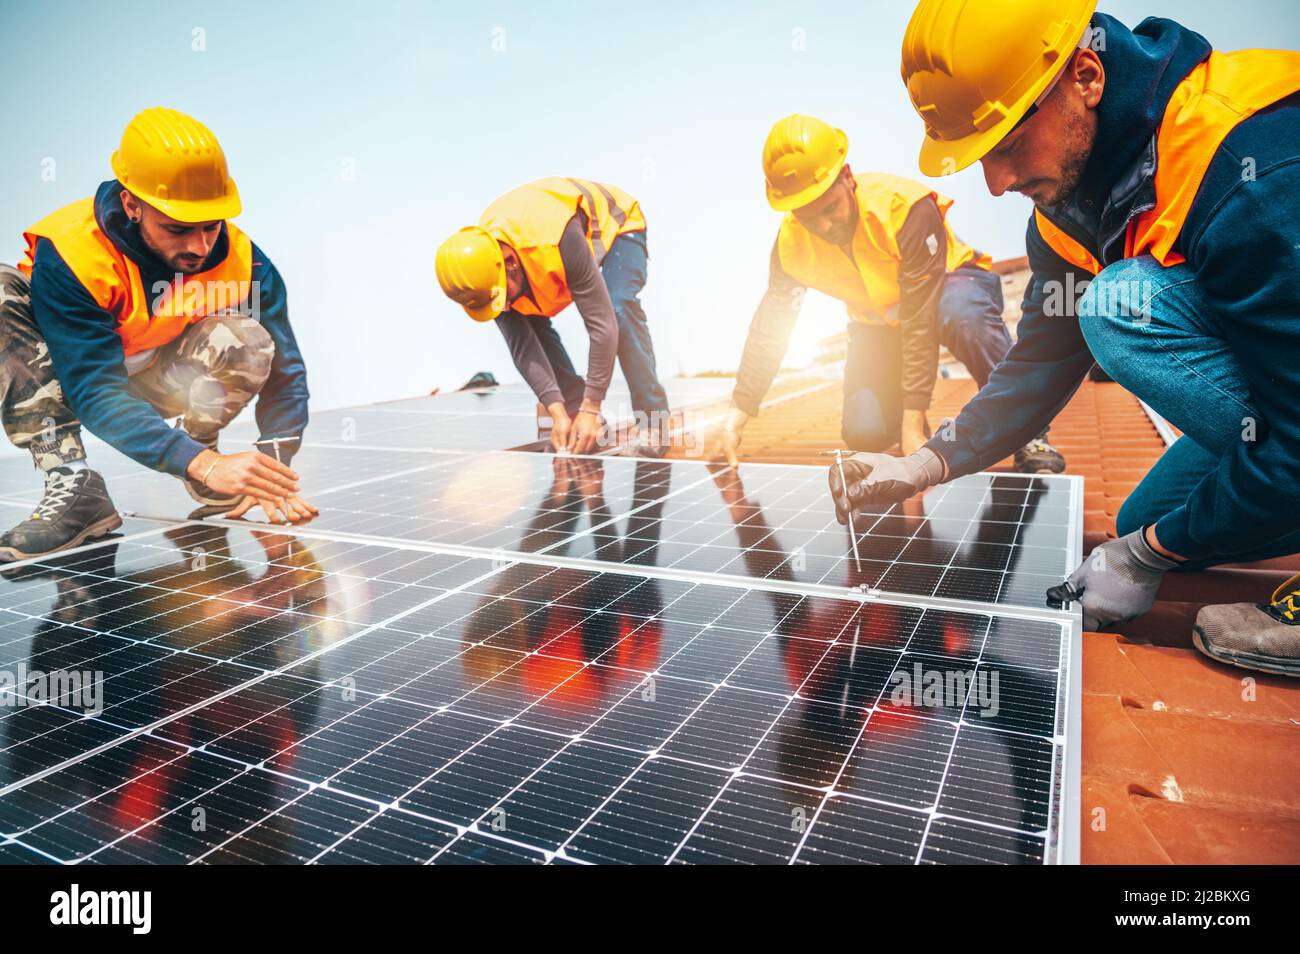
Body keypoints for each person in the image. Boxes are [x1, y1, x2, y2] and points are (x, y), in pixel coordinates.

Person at [832, 0, 1300, 674]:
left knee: (1118, 307)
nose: (995, 185)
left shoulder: (1247, 160)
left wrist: (1150, 557)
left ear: (1086, 77)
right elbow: (1039, 367)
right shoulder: (1066, 210)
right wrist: (925, 464)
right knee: (1153, 514)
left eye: (1009, 145)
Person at [0, 107, 316, 562]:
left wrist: (273, 465)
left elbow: (286, 369)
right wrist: (206, 465)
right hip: (70, 383)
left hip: (161, 382)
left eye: (211, 227)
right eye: (178, 229)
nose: (199, 247)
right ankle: (74, 484)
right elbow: (94, 389)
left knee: (246, 337)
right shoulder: (73, 253)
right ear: (132, 205)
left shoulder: (246, 265)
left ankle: (201, 443)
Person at [718, 114, 1065, 474]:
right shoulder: (790, 247)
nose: (823, 226)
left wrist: (912, 425)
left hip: (949, 288)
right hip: (878, 323)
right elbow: (772, 324)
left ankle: (1028, 432)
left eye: (830, 208)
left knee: (965, 317)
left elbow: (919, 319)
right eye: (807, 217)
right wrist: (739, 411)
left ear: (848, 177)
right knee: (863, 433)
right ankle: (900, 420)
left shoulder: (903, 207)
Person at [435, 178, 670, 456]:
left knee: (618, 307)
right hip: (536, 255)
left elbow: (602, 324)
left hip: (616, 226)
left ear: (509, 263)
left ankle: (654, 423)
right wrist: (559, 412)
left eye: (502, 297)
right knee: (525, 315)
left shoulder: (556, 237)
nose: (505, 307)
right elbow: (524, 346)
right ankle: (576, 419)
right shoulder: (485, 274)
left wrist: (591, 406)